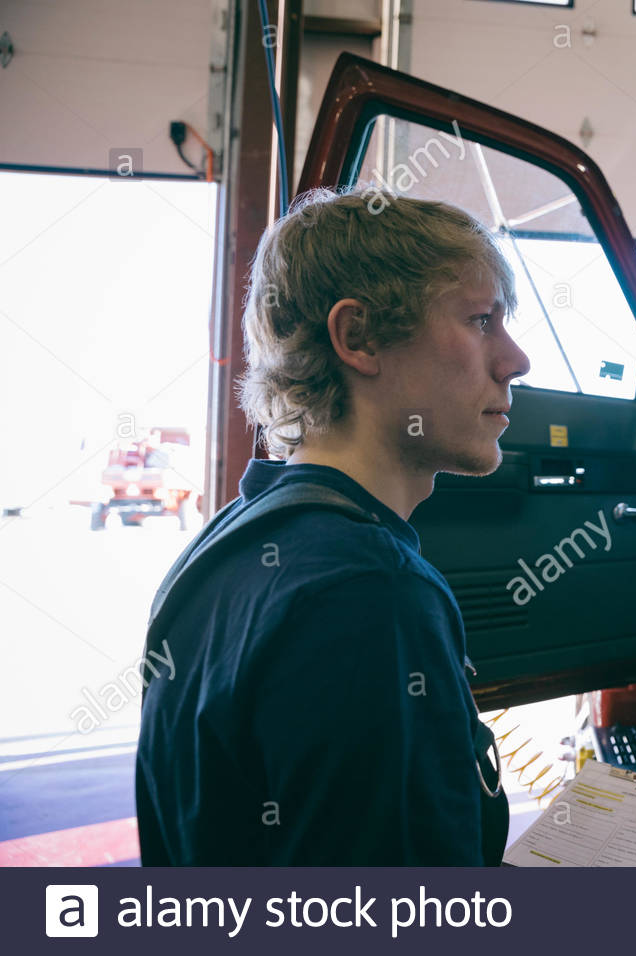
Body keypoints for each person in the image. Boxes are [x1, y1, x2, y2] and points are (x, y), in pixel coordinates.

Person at [135, 188, 530, 864]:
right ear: (359, 337)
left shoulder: (225, 543)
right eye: (480, 319)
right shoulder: (371, 594)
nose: (514, 359)